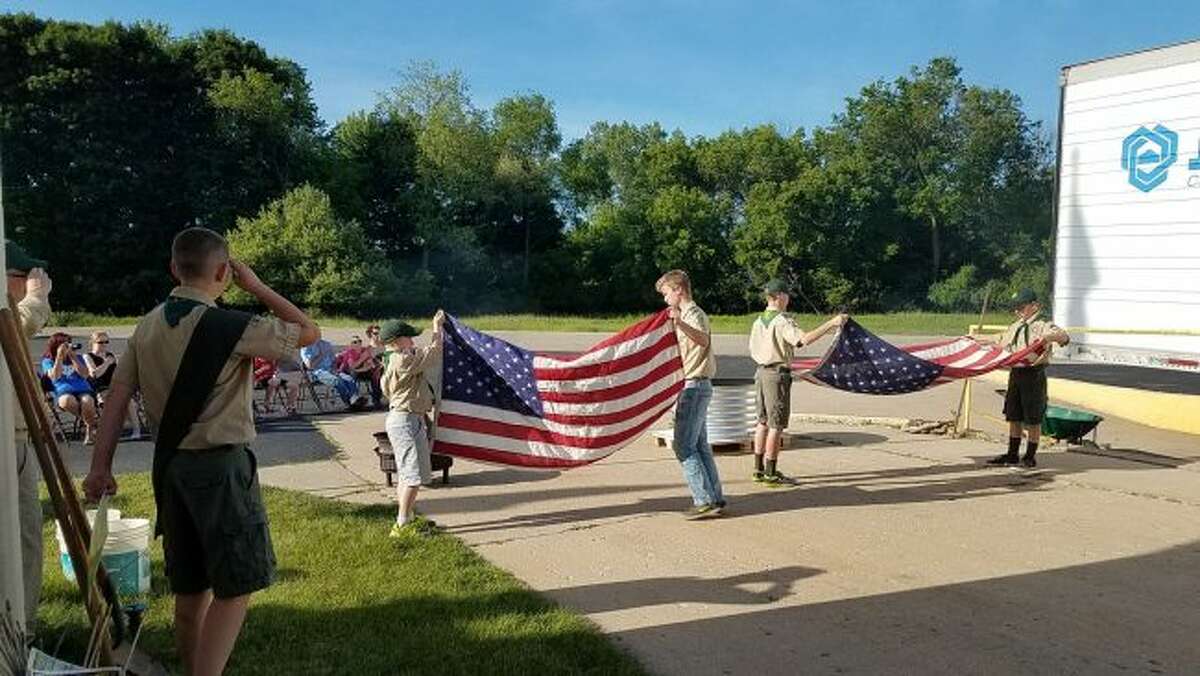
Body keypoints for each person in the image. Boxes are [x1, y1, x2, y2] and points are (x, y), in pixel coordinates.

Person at [84, 227, 320, 676]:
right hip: (222, 467)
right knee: (236, 586)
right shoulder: (232, 326)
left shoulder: (146, 327)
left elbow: (116, 399)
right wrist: (256, 286)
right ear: (222, 272)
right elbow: (308, 331)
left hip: (171, 469)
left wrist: (100, 467)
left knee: (190, 591)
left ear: (174, 268)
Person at [748, 280, 846, 486]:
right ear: (778, 296)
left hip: (760, 372)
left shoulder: (758, 321)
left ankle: (757, 469)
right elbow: (803, 340)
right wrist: (832, 323)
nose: (788, 298)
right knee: (776, 425)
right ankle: (771, 472)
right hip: (777, 375)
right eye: (786, 294)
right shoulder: (782, 321)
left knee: (762, 421)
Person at [6, 239, 52, 632]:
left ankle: (22, 623)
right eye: (26, 276)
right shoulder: (15, 311)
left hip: (17, 437)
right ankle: (19, 630)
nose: (36, 282)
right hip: (7, 442)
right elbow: (12, 332)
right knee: (21, 540)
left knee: (26, 538)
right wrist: (36, 301)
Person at [655, 270, 725, 519]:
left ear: (679, 290)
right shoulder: (687, 315)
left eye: (666, 294)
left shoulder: (694, 314)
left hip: (695, 386)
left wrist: (680, 323)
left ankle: (703, 500)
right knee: (699, 446)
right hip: (697, 385)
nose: (665, 300)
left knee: (683, 446)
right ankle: (714, 497)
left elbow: (703, 341)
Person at [982, 288, 1070, 468]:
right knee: (1013, 415)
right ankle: (1012, 454)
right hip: (1016, 373)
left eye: (1021, 307)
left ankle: (1030, 456)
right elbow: (999, 340)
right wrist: (976, 339)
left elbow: (1064, 337)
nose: (1017, 311)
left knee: (1033, 417)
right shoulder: (1015, 326)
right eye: (1015, 308)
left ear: (1034, 306)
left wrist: (1050, 337)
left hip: (1033, 374)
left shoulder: (1043, 324)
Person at [379, 314, 443, 537]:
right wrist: (437, 328)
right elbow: (434, 353)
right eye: (409, 338)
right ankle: (401, 525)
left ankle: (408, 518)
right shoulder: (401, 360)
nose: (413, 342)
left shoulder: (395, 357)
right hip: (404, 420)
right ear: (396, 341)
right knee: (411, 476)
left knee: (409, 474)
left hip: (409, 419)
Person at [41, 332, 99, 444]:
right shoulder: (48, 361)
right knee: (67, 400)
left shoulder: (78, 357)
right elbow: (55, 376)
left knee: (87, 401)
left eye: (70, 343)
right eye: (66, 344)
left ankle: (89, 432)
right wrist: (59, 356)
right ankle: (92, 424)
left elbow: (85, 374)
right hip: (62, 391)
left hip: (82, 389)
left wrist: (73, 357)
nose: (69, 346)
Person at [83, 331, 142, 439]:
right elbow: (95, 374)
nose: (104, 345)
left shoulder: (110, 355)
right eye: (100, 342)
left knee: (129, 401)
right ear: (93, 343)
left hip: (115, 386)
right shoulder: (88, 356)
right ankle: (112, 428)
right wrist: (107, 363)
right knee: (110, 400)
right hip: (100, 388)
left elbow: (119, 372)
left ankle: (137, 430)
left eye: (106, 342)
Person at [300, 337, 367, 411]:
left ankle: (355, 400)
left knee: (349, 379)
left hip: (331, 370)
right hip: (318, 372)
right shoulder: (305, 347)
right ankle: (350, 402)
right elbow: (309, 366)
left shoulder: (326, 344)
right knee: (337, 380)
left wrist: (334, 369)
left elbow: (333, 360)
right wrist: (321, 355)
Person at [341, 335, 383, 408]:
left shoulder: (365, 350)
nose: (358, 343)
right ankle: (355, 399)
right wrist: (362, 358)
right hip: (348, 372)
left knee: (375, 375)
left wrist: (364, 366)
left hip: (362, 371)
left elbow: (370, 366)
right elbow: (352, 367)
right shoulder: (350, 352)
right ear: (351, 345)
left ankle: (376, 399)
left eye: (359, 341)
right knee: (354, 374)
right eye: (355, 342)